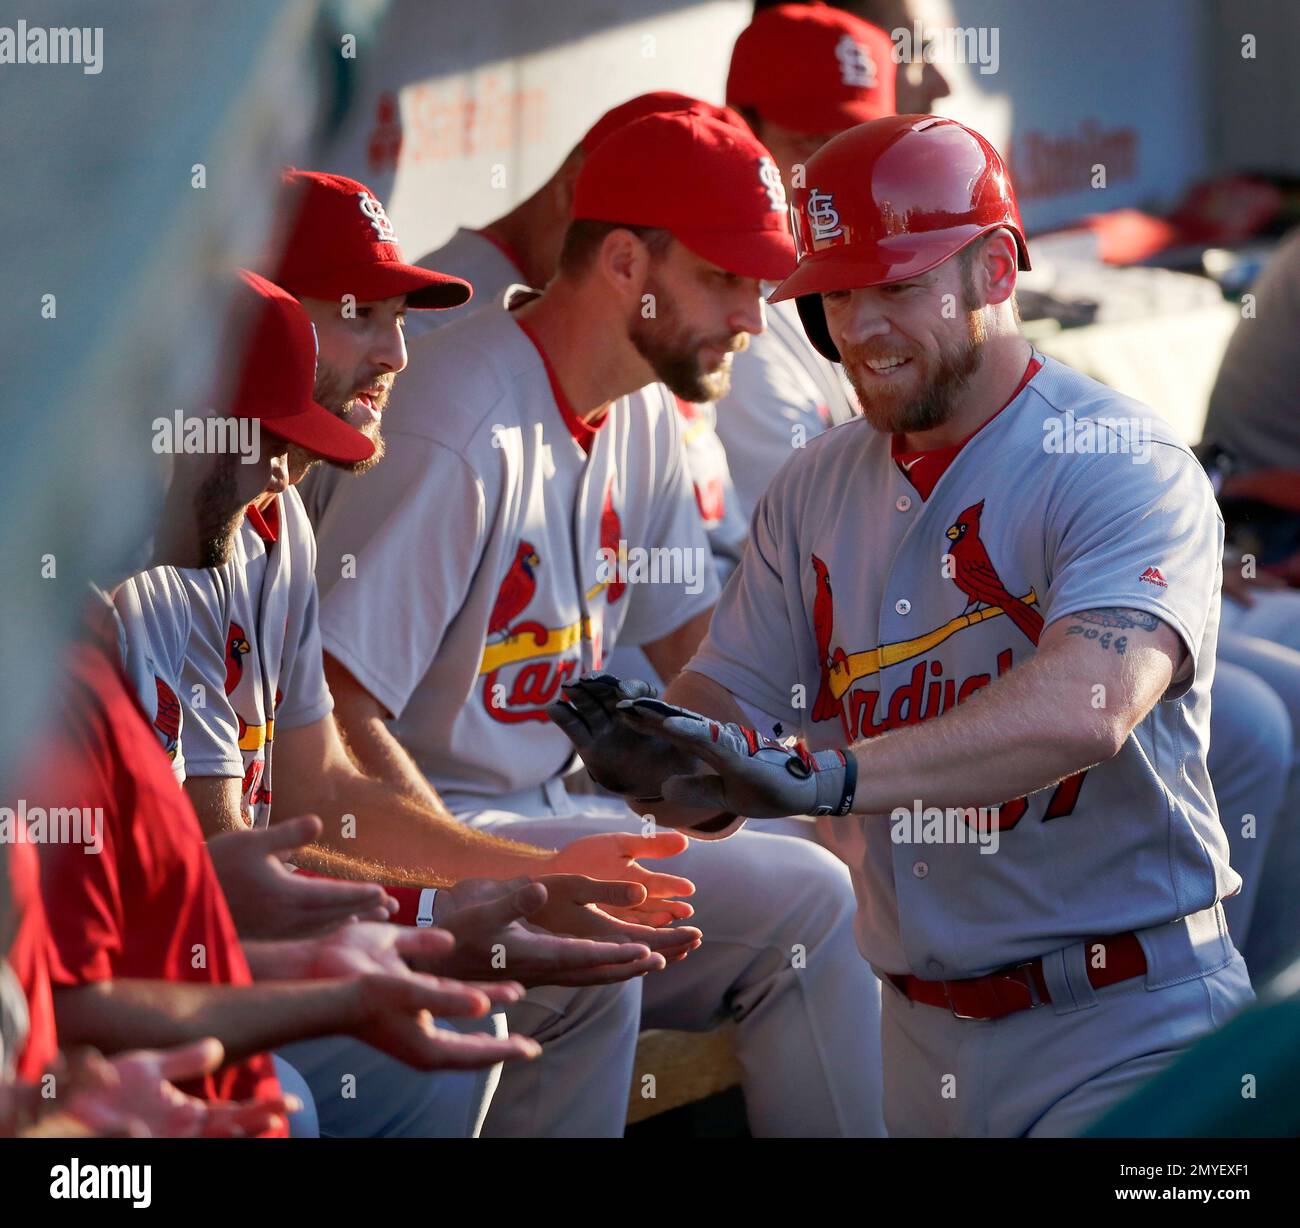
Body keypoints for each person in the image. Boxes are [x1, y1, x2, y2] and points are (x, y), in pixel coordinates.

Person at [555, 115, 1256, 1138]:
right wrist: (656, 751)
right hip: (917, 1040)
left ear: (996, 270)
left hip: (1124, 1021)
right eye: (836, 293)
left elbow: (1089, 706)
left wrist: (830, 775)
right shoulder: (815, 484)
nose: (861, 328)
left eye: (896, 286)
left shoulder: (1114, 457)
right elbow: (730, 699)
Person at [308, 111, 887, 1137]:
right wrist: (488, 879)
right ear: (625, 261)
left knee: (823, 885)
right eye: (724, 278)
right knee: (665, 924)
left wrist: (848, 781)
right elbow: (333, 718)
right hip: (433, 827)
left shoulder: (644, 408)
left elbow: (705, 657)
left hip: (559, 810)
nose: (752, 316)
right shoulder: (459, 422)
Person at [33, 272, 538, 1139]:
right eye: (263, 438)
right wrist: (424, 916)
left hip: (117, 983)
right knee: (282, 1109)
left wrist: (433, 916)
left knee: (449, 1020)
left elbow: (245, 847)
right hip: (71, 1019)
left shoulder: (202, 553)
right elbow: (110, 951)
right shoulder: (69, 617)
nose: (282, 472)